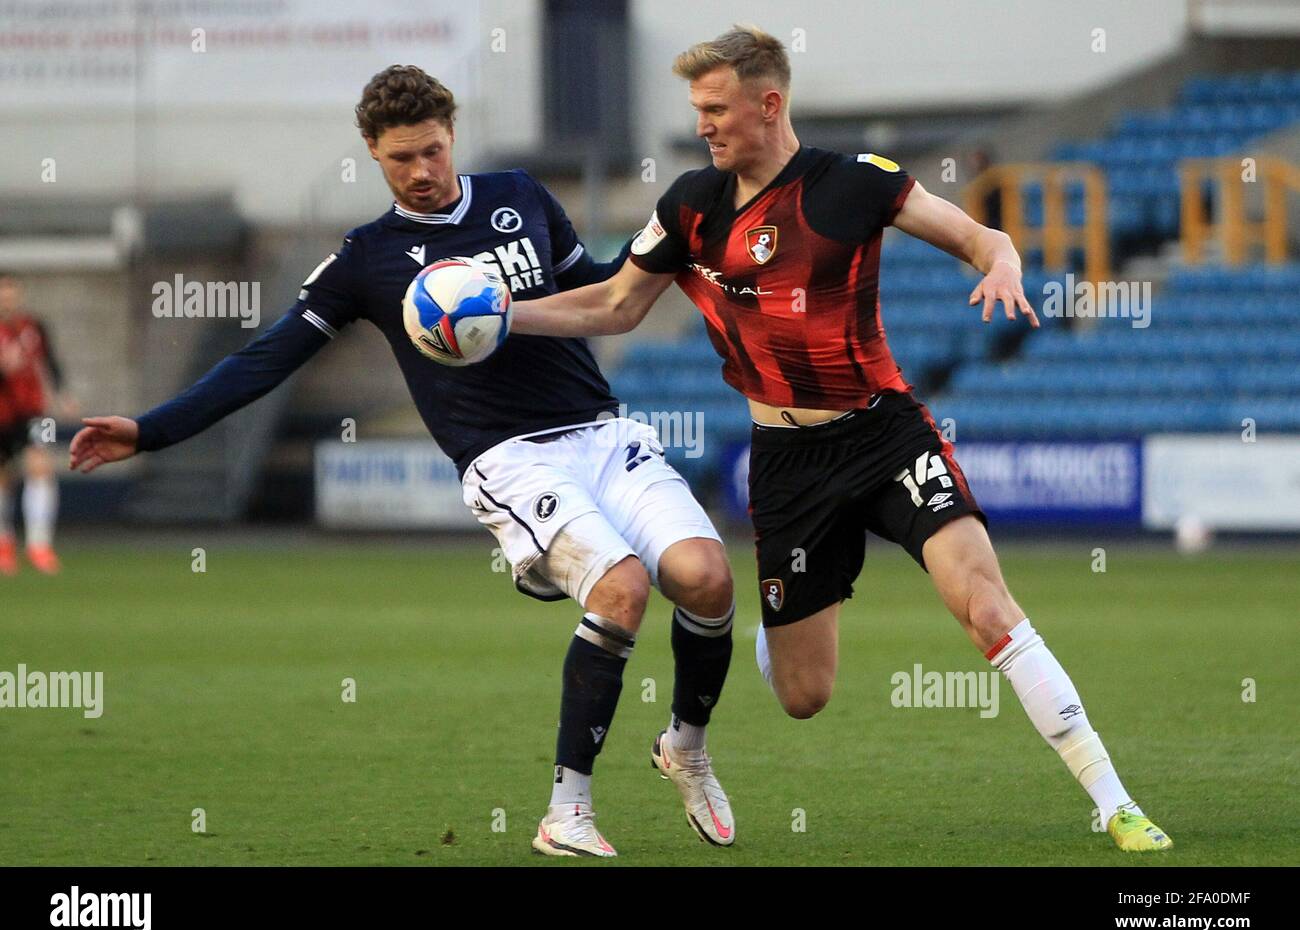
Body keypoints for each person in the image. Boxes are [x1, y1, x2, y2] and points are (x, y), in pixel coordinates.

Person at [507, 27, 1171, 852]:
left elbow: (981, 238)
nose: (703, 125)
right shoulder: (689, 204)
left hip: (884, 432)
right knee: (803, 695)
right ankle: (769, 640)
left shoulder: (856, 184)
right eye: (697, 111)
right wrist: (502, 318)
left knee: (987, 606)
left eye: (715, 109)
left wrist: (1000, 264)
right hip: (785, 464)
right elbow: (613, 305)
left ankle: (1115, 804)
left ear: (769, 103)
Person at [68, 65, 737, 858]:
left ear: (451, 134)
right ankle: (567, 811)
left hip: (601, 432)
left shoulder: (520, 195)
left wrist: (679, 261)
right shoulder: (368, 260)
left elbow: (598, 292)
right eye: (399, 160)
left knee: (707, 578)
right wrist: (149, 430)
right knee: (623, 588)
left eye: (430, 152)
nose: (420, 173)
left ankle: (686, 749)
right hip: (508, 458)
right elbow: (266, 358)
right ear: (372, 156)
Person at [0, 274, 75, 575]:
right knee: (4, 477)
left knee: (41, 467)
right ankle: (5, 544)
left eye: (11, 292)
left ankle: (39, 545)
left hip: (33, 412)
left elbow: (50, 360)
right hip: (1, 414)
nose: (7, 298)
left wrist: (62, 392)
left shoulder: (34, 327)